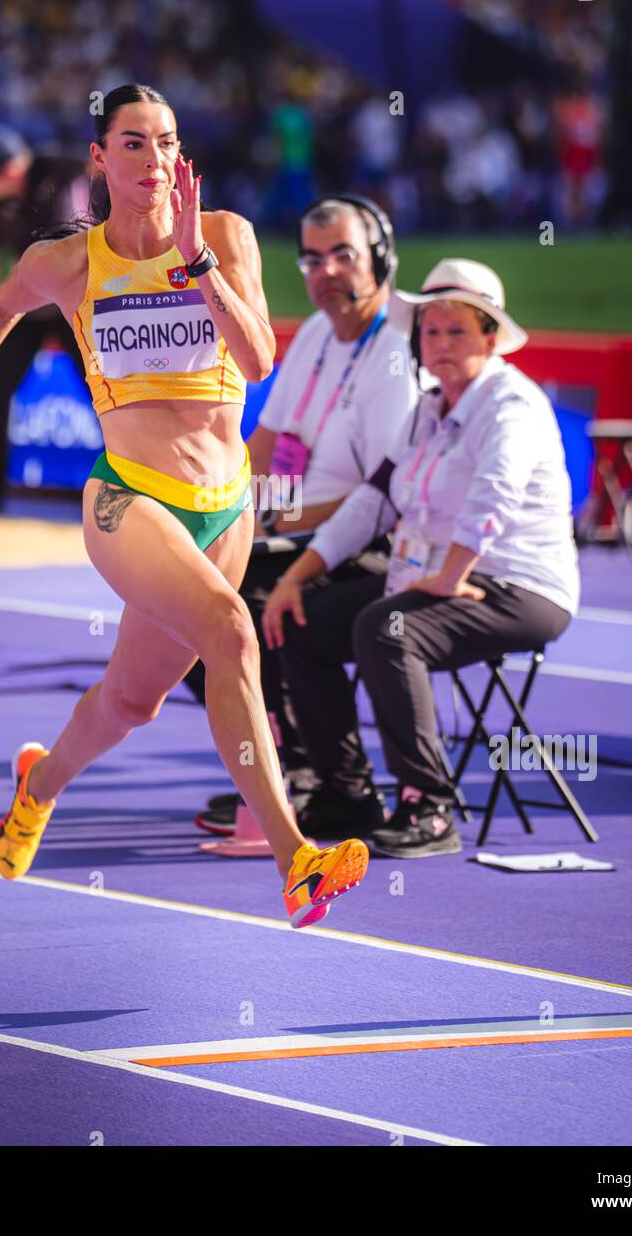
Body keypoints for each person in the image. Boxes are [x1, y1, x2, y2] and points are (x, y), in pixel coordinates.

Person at [0, 83, 369, 928]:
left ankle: (35, 788)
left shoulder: (225, 237)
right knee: (229, 629)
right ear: (99, 159)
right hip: (127, 500)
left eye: (168, 142)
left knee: (129, 703)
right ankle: (296, 858)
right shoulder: (65, 262)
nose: (155, 160)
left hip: (225, 507)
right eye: (134, 143)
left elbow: (256, 362)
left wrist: (197, 264)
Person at [261, 259, 580, 854]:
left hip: (520, 586)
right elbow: (370, 504)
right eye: (430, 331)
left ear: (491, 336)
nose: (439, 344)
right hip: (438, 573)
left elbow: (496, 494)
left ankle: (429, 807)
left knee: (387, 629)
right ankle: (346, 793)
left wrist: (451, 573)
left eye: (457, 330)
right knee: (303, 621)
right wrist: (296, 579)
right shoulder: (426, 411)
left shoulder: (512, 404)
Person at [189, 195, 425, 838]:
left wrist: (272, 516)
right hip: (284, 528)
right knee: (180, 608)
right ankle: (275, 765)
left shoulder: (399, 351)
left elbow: (382, 496)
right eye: (313, 259)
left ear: (379, 257)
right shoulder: (320, 332)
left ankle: (307, 776)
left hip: (358, 542)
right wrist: (236, 502)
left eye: (344, 255)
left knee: (242, 608)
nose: (327, 272)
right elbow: (264, 440)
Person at [0, 125, 89, 512]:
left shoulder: (55, 171)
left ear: (12, 168)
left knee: (101, 393)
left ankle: (134, 488)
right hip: (27, 305)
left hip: (74, 304)